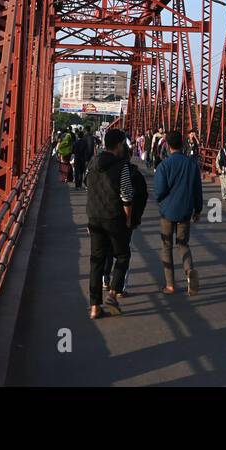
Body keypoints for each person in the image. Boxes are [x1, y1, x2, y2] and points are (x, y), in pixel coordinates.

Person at [85, 129, 135, 319]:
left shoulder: (93, 162)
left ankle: (94, 307)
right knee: (122, 255)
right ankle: (113, 293)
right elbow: (127, 195)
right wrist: (128, 218)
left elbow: (86, 184)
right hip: (114, 217)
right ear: (120, 144)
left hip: (94, 216)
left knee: (96, 261)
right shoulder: (121, 166)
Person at [154, 129, 204, 295]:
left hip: (167, 211)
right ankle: (189, 271)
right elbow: (197, 189)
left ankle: (170, 285)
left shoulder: (164, 166)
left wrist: (161, 201)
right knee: (182, 244)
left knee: (166, 246)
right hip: (185, 211)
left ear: (167, 145)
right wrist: (198, 210)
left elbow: (159, 191)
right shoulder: (192, 164)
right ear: (182, 144)